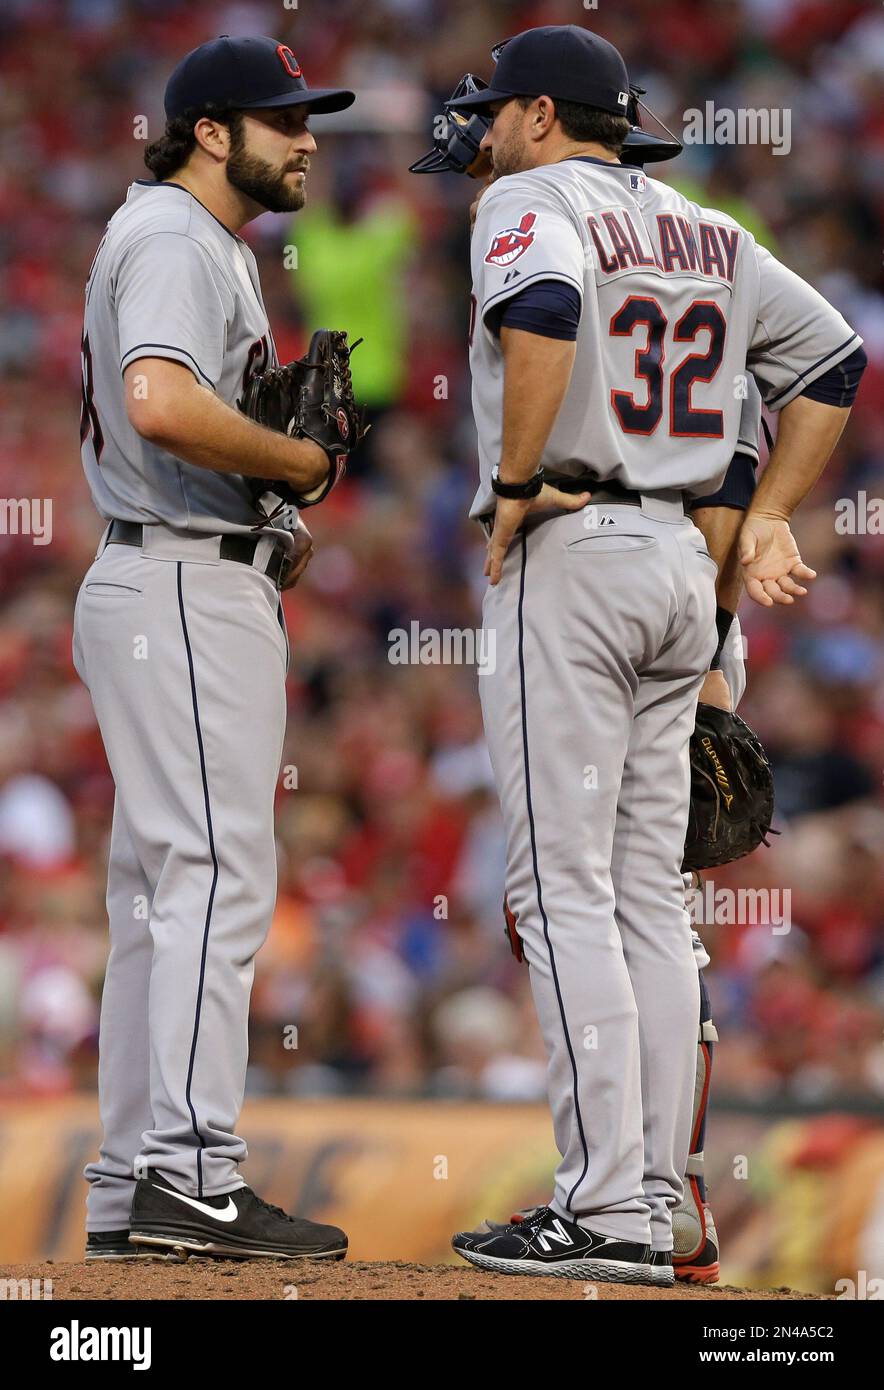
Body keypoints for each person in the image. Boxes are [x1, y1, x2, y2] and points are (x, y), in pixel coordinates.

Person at [447, 24, 865, 1284]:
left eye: (493, 111)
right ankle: (648, 1199)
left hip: (574, 547)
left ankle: (603, 1205)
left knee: (556, 891)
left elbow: (544, 308)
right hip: (685, 564)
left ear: (534, 113)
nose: (482, 132)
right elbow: (834, 361)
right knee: (642, 898)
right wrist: (772, 517)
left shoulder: (528, 195)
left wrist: (517, 478)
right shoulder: (704, 226)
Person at [75, 34, 355, 1263]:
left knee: (157, 892)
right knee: (209, 877)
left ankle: (133, 1179)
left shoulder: (186, 240)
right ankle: (189, 1174)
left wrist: (266, 516)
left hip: (168, 566)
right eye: (284, 118)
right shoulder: (182, 239)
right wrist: (294, 464)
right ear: (208, 130)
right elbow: (157, 399)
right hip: (180, 586)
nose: (306, 140)